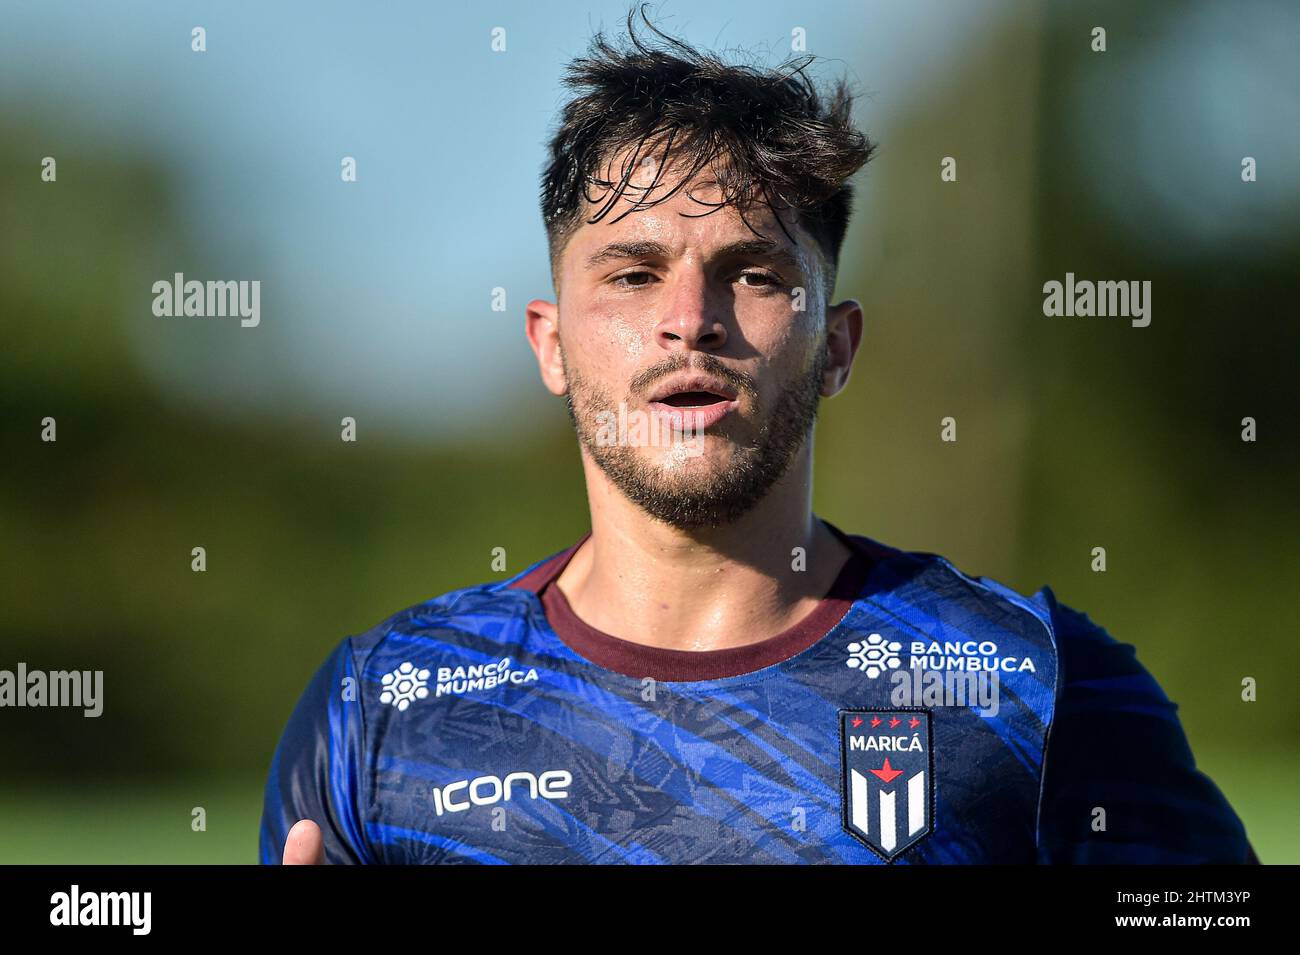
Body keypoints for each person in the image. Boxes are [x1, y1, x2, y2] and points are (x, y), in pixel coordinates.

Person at [260, 6, 1255, 865]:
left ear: (835, 345)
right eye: (632, 273)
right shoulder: (384, 714)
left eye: (752, 272)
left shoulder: (1029, 684)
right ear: (552, 344)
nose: (689, 317)